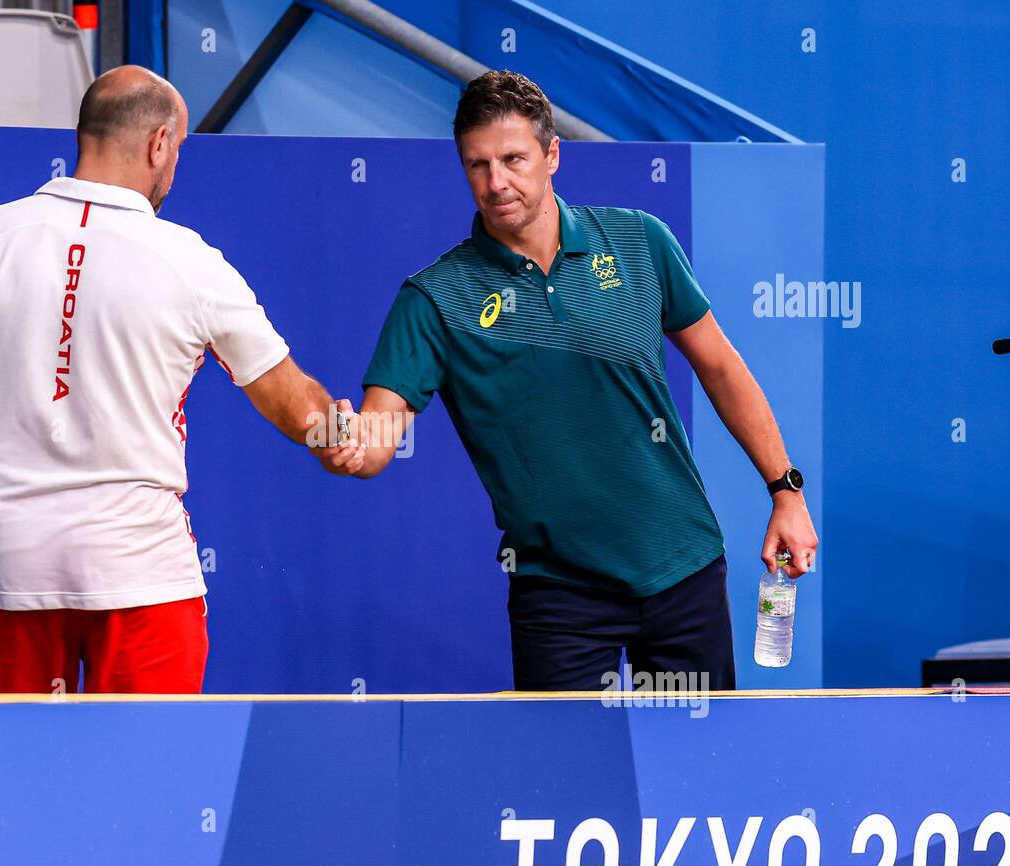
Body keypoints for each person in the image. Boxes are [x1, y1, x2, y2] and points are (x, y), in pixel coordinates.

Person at [314, 70, 817, 692]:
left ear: (553, 155)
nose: (496, 183)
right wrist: (351, 443)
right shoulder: (435, 298)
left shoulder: (639, 241)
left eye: (513, 159)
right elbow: (380, 429)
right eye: (477, 165)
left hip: (683, 570)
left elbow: (721, 367)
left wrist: (785, 490)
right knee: (568, 787)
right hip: (559, 599)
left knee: (695, 779)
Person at [0, 66, 362, 694]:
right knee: (155, 786)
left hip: (6, 570)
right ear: (160, 143)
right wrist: (345, 432)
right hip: (142, 577)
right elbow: (299, 409)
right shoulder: (192, 260)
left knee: (14, 784)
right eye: (180, 149)